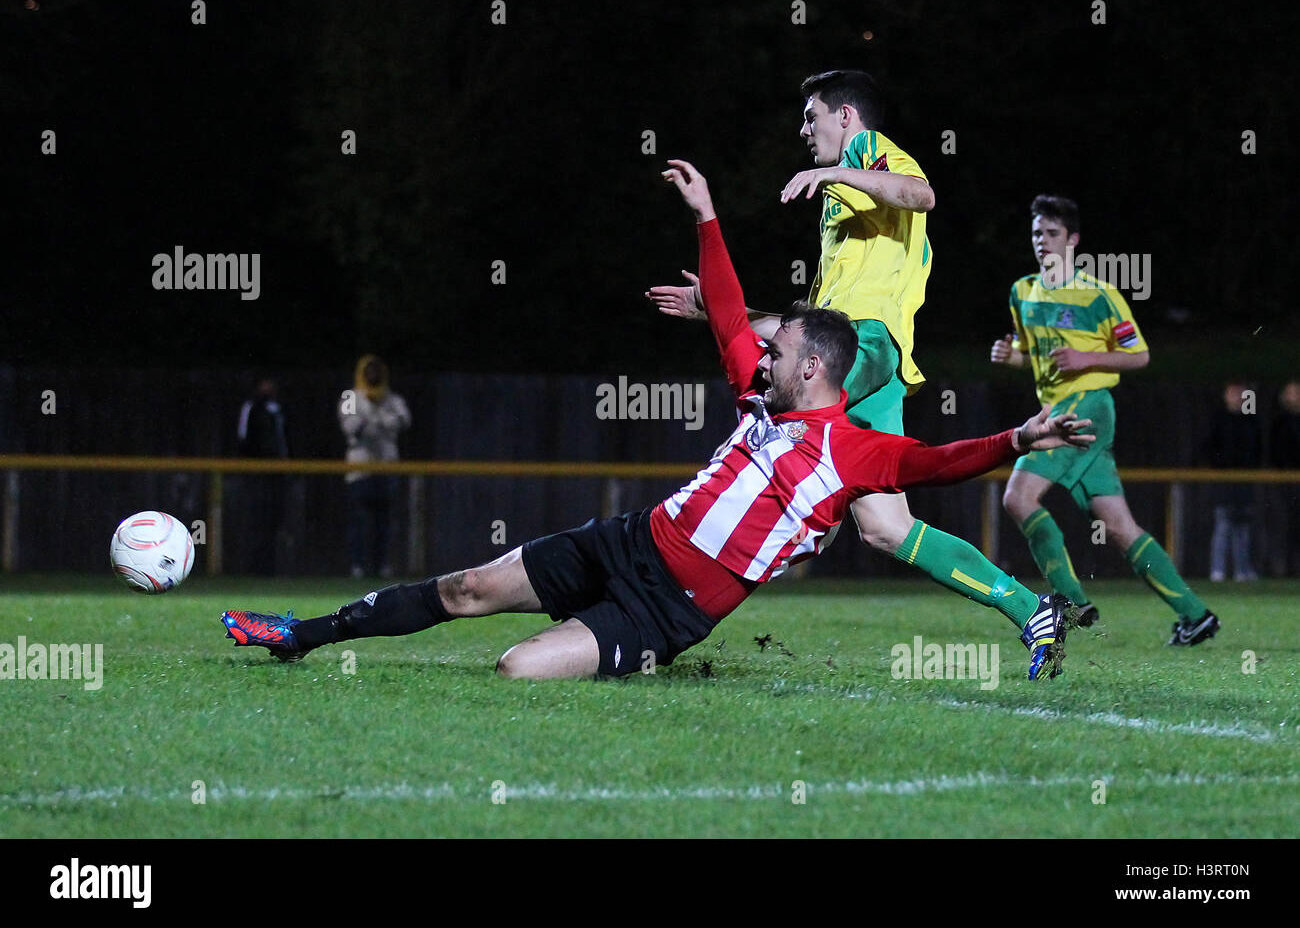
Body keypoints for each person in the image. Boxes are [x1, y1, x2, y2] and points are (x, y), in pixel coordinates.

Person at [224, 161, 1093, 681]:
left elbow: (940, 463)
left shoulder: (856, 450)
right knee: (467, 589)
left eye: (781, 343)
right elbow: (724, 315)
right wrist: (709, 215)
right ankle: (304, 635)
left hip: (669, 611)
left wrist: (1019, 439)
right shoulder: (763, 391)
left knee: (517, 667)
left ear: (815, 367)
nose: (766, 349)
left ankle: (1028, 606)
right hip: (630, 541)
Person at [648, 69, 1055, 638]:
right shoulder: (844, 211)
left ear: (846, 116)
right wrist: (713, 309)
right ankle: (1031, 609)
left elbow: (922, 194)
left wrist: (834, 170)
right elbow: (798, 335)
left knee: (773, 420)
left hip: (866, 347)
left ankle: (671, 567)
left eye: (812, 115)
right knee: (888, 529)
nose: (803, 128)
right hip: (866, 362)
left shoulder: (866, 151)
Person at [990, 194, 1219, 646]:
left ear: (1073, 240)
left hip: (1087, 406)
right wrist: (1011, 357)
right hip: (1061, 408)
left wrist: (1085, 356)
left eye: (1052, 234)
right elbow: (1032, 357)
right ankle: (1195, 614)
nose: (1042, 242)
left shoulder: (1099, 293)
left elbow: (1140, 355)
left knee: (1018, 498)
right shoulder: (1022, 292)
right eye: (1037, 233)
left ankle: (1069, 601)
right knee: (1119, 527)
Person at [339, 355, 411, 579]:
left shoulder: (392, 399)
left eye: (376, 370)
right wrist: (377, 420)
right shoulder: (351, 397)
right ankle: (357, 567)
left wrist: (374, 420)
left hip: (386, 468)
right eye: (368, 371)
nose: (373, 375)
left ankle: (382, 567)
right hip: (359, 470)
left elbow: (404, 421)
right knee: (359, 522)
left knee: (384, 523)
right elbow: (351, 427)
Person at [1204, 382, 1261, 582]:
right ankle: (1217, 571)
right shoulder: (1218, 419)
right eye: (1233, 393)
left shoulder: (1250, 419)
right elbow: (1210, 447)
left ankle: (1242, 571)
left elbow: (1256, 447)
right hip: (1223, 480)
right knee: (1223, 525)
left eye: (1240, 393)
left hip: (1244, 480)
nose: (1237, 397)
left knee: (1243, 528)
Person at [236, 376, 289, 575]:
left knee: (274, 522)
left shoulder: (281, 408)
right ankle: (253, 569)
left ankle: (272, 569)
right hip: (257, 473)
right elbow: (243, 439)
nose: (268, 386)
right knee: (256, 521)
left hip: (278, 473)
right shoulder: (252, 407)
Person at [1268, 379, 1300, 575]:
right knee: (1285, 526)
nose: (1294, 397)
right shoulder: (1280, 421)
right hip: (1285, 480)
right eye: (1291, 393)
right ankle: (1285, 568)